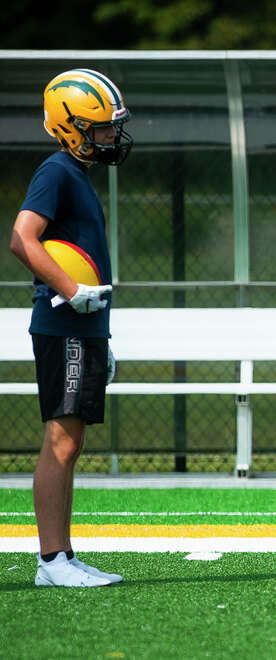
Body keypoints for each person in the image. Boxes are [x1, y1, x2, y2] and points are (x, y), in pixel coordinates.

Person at [9, 69, 131, 588]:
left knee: (70, 442)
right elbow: (22, 238)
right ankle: (52, 561)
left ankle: (61, 555)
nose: (110, 137)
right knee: (61, 442)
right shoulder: (56, 170)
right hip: (64, 324)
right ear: (70, 126)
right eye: (100, 128)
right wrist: (72, 290)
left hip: (82, 327)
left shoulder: (75, 174)